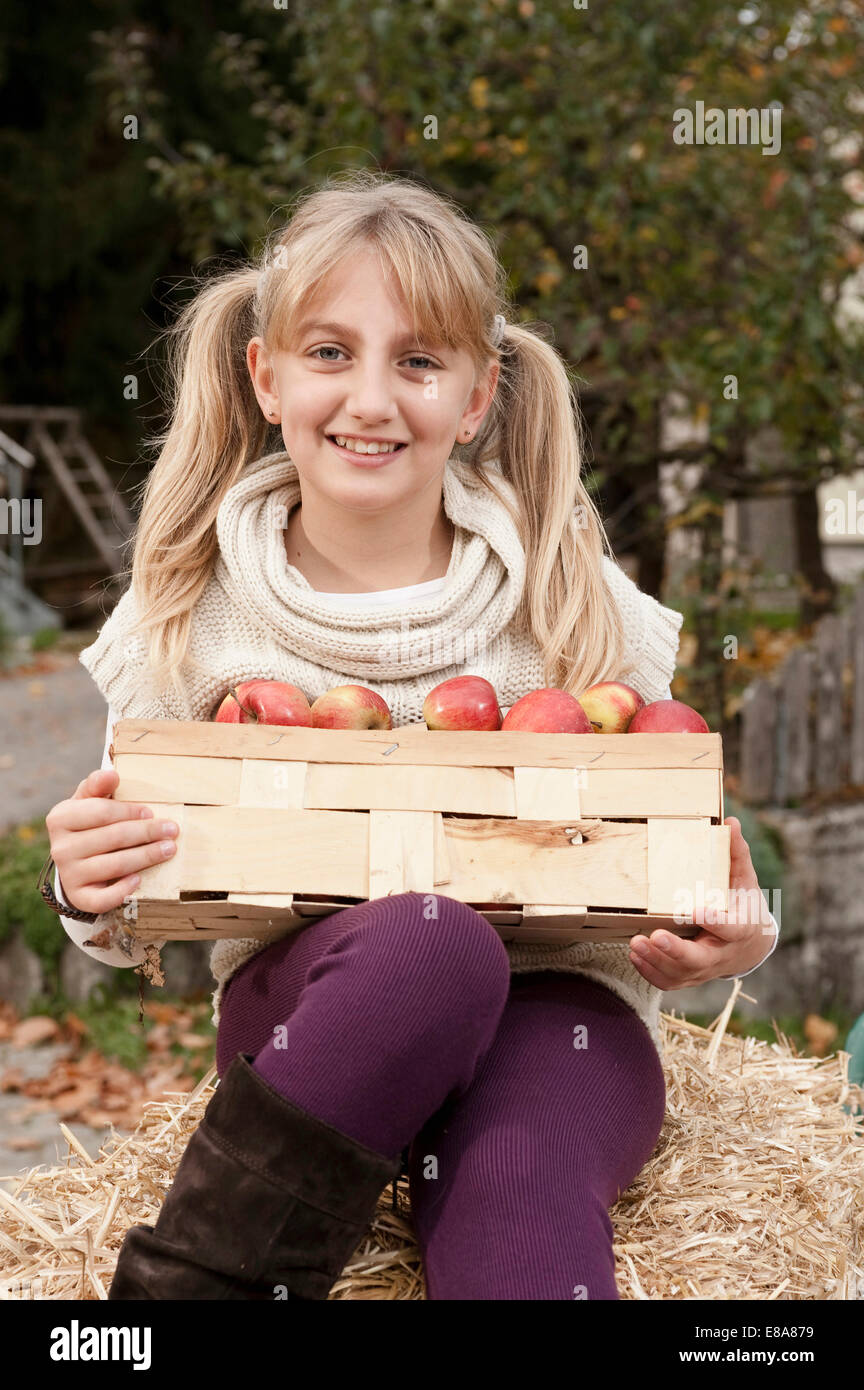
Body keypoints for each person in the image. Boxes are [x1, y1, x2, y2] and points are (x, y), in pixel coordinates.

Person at [42, 170, 779, 1301]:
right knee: (434, 942)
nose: (372, 400)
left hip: (562, 1010)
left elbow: (680, 846)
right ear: (267, 375)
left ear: (478, 398)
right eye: (331, 353)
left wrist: (731, 926)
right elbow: (125, 907)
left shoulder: (575, 601)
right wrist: (87, 891)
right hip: (320, 1009)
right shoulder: (189, 620)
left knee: (516, 1180)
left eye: (419, 361)